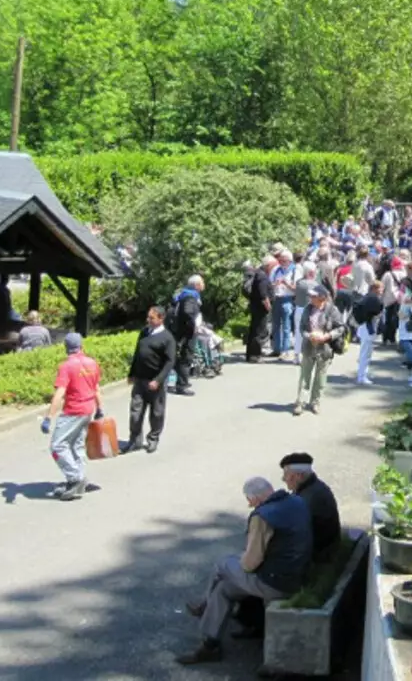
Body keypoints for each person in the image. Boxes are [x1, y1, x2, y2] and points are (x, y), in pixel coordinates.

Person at [178, 477, 313, 666]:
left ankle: (204, 608)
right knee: (223, 588)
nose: (249, 504)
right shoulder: (296, 502)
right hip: (297, 574)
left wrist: (241, 560)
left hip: (274, 583)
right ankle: (210, 644)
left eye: (248, 499)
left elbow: (250, 563)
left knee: (222, 564)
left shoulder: (262, 516)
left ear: (256, 499)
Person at [41, 333, 104, 501]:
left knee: (57, 446)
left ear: (66, 347)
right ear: (81, 345)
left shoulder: (67, 366)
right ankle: (78, 477)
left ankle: (76, 478)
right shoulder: (92, 363)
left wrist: (48, 417)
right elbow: (97, 388)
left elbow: (60, 393)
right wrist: (100, 409)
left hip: (73, 410)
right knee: (77, 445)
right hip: (88, 409)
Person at [125, 305, 177, 454]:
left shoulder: (167, 338)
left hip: (155, 382)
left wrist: (158, 380)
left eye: (152, 318)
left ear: (161, 319)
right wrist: (131, 373)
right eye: (148, 317)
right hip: (140, 380)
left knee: (156, 413)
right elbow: (138, 353)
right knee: (135, 412)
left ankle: (153, 439)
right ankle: (134, 440)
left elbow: (170, 362)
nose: (148, 320)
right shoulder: (144, 332)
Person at [295, 285, 345, 415]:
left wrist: (327, 336)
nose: (310, 298)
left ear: (322, 298)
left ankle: (315, 402)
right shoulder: (308, 309)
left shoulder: (332, 310)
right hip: (309, 346)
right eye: (310, 296)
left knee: (320, 377)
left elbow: (340, 328)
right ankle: (300, 402)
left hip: (325, 348)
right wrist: (309, 336)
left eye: (313, 296)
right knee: (305, 376)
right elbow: (302, 328)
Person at [279, 452, 341, 555]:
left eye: (286, 474)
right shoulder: (310, 488)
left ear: (299, 476)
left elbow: (298, 531)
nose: (283, 479)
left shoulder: (311, 497)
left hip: (319, 554)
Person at [169, 275, 203, 396]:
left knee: (181, 356)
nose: (203, 285)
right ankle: (182, 385)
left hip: (180, 330)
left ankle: (180, 381)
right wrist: (193, 325)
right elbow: (188, 312)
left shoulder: (184, 293)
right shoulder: (190, 296)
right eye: (202, 283)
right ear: (197, 285)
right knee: (186, 357)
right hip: (187, 332)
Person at [353, 280, 383, 386]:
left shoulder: (367, 297)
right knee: (365, 353)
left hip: (365, 326)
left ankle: (363, 374)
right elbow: (377, 310)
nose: (381, 291)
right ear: (374, 288)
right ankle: (362, 376)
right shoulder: (372, 298)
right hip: (367, 327)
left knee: (366, 353)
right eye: (380, 288)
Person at [246, 256, 274, 362]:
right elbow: (263, 294)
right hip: (260, 308)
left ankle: (251, 354)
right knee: (259, 332)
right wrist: (268, 306)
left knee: (255, 330)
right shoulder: (262, 276)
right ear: (268, 265)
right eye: (272, 266)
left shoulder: (260, 274)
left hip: (257, 307)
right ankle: (255, 355)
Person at [270, 251, 297, 360]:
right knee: (275, 325)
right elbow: (269, 285)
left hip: (287, 299)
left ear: (289, 261)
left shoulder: (295, 270)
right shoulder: (275, 270)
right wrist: (275, 284)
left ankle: (285, 350)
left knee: (286, 326)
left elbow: (296, 289)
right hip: (276, 298)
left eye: (284, 260)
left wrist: (286, 283)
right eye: (280, 260)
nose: (281, 262)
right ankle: (276, 349)